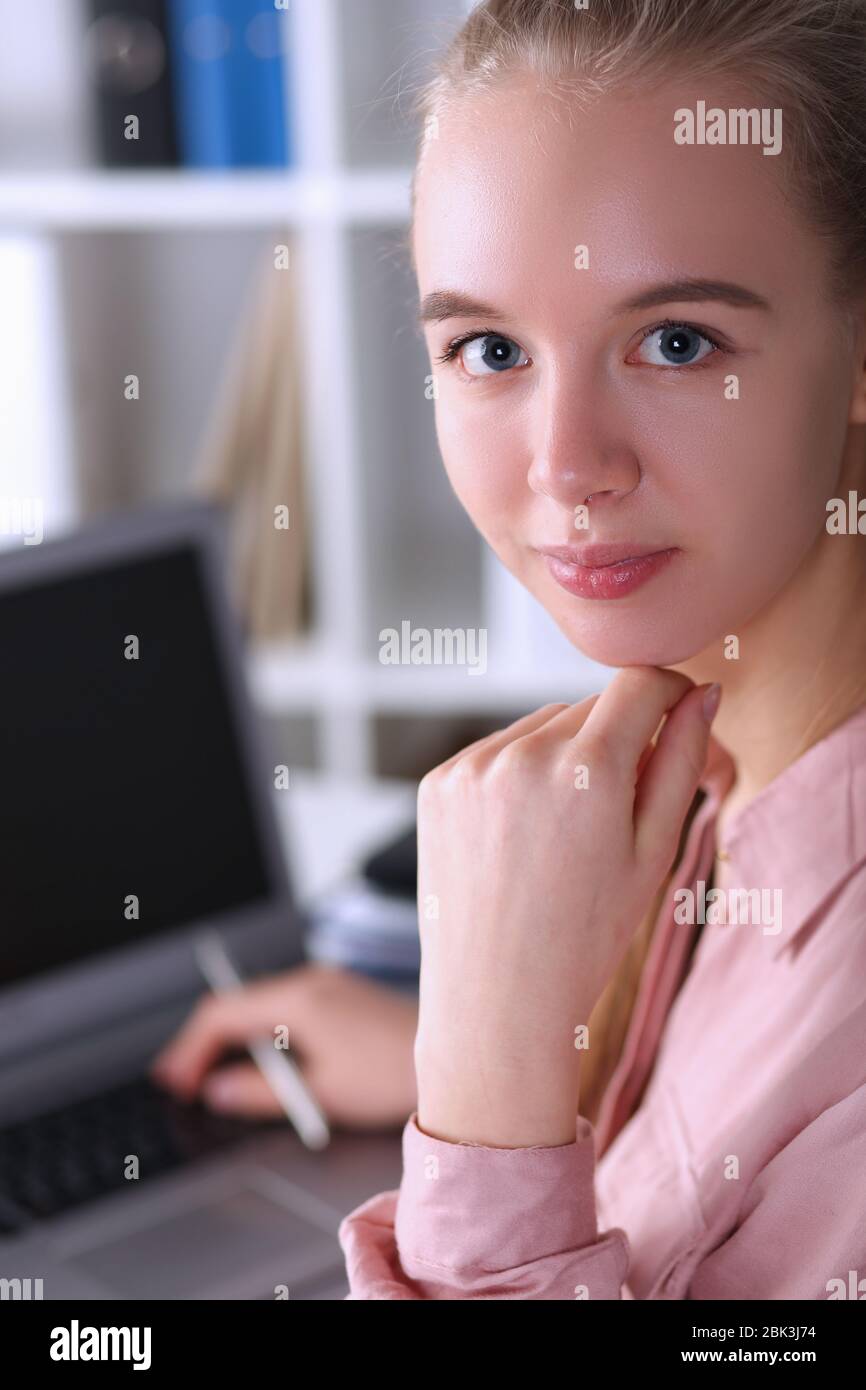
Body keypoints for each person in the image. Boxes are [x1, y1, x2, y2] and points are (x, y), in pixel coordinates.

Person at [154, 0, 866, 1299]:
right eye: (487, 349)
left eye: (674, 341)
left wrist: (488, 1098)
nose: (562, 465)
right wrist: (479, 1047)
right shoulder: (722, 756)